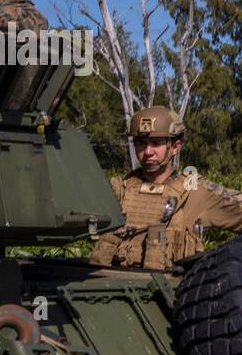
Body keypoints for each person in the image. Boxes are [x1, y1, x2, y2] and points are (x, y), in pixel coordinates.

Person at [90, 106, 242, 270]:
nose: (148, 151)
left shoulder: (195, 192)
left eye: (156, 143)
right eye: (141, 143)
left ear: (175, 147)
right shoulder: (119, 189)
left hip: (173, 292)